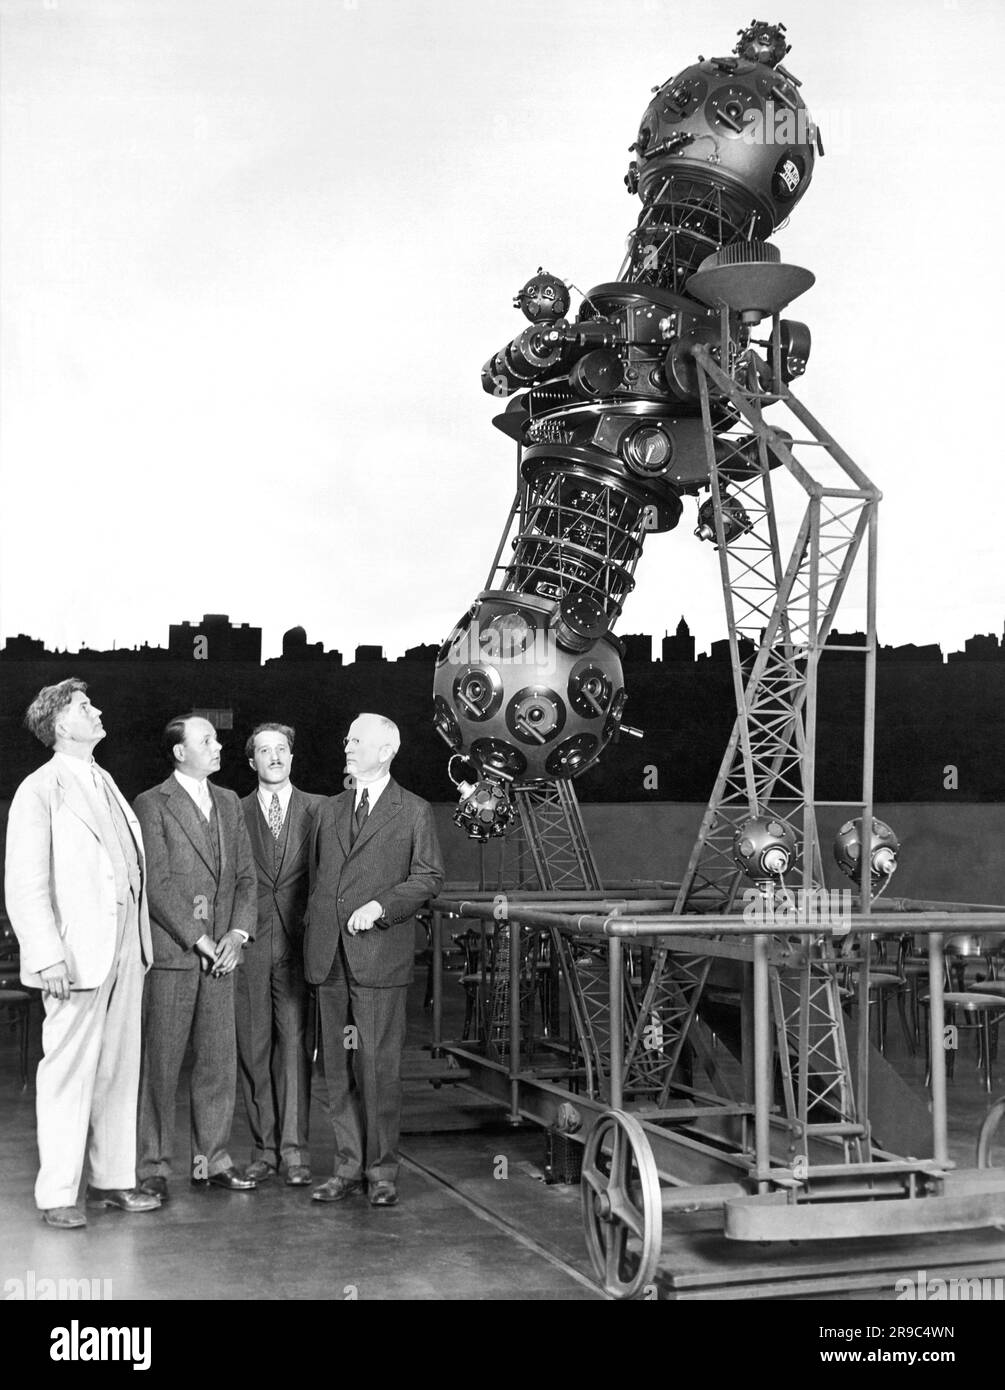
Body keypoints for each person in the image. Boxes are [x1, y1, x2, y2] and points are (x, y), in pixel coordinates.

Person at [4, 679, 160, 1228]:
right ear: (59, 725)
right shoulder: (39, 789)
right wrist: (46, 955)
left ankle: (112, 1181)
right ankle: (58, 1194)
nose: (95, 711)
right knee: (68, 1073)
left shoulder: (104, 779)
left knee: (119, 1069)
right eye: (83, 706)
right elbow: (25, 882)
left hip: (126, 946)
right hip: (73, 954)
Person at [304, 713, 444, 1208]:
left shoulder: (414, 811)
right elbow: (317, 880)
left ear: (386, 751)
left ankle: (381, 1171)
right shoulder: (328, 809)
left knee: (378, 1069)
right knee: (337, 1070)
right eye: (346, 738)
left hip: (379, 961)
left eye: (357, 740)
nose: (347, 746)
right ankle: (347, 1167)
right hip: (329, 960)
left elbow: (428, 877)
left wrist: (381, 907)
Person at [133, 714, 258, 1199]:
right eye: (206, 740)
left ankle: (211, 1162)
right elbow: (157, 884)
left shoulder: (228, 801)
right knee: (161, 1068)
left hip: (223, 957)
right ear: (180, 752)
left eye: (217, 739)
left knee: (217, 1067)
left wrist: (237, 935)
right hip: (175, 957)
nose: (218, 746)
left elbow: (245, 878)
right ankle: (153, 1169)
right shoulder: (152, 803)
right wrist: (200, 939)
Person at [237, 722, 323, 1186]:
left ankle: (294, 1154)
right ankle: (264, 1151)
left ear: (292, 757)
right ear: (251, 761)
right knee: (253, 1051)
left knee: (294, 1049)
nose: (274, 757)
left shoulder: (320, 809)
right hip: (248, 946)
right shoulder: (233, 811)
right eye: (264, 750)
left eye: (281, 749)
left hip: (298, 947)